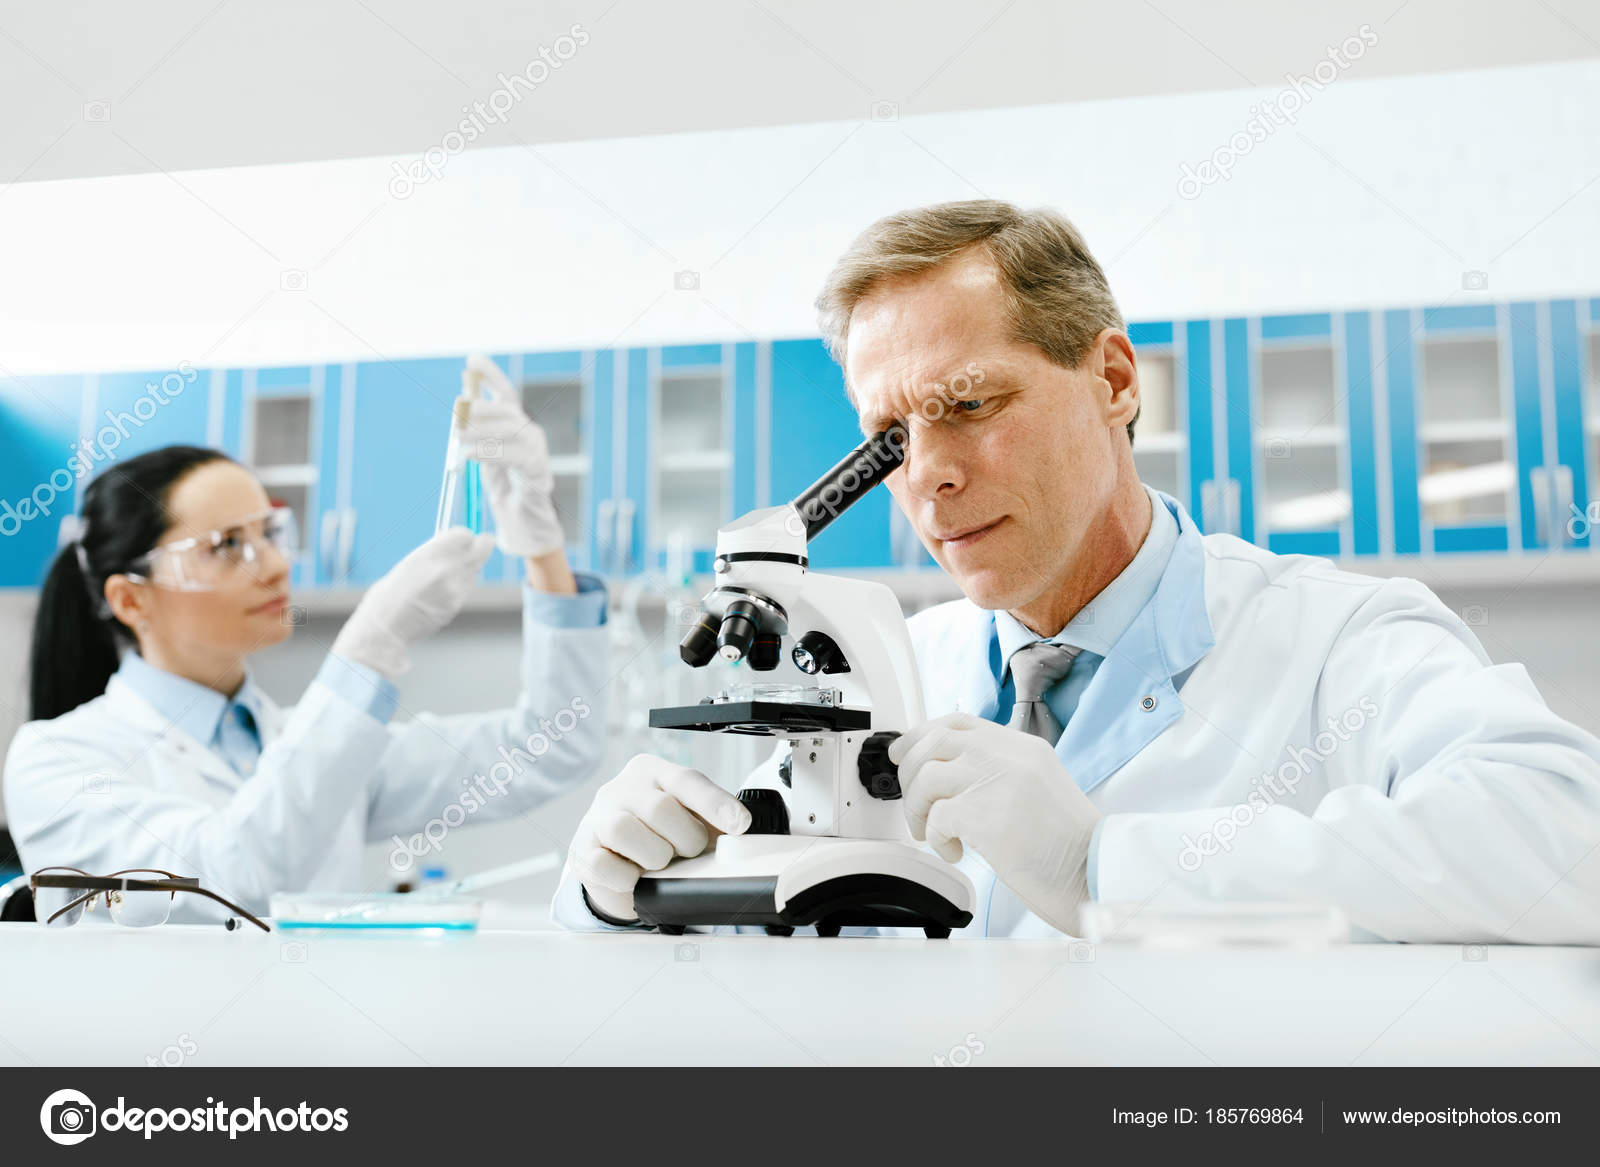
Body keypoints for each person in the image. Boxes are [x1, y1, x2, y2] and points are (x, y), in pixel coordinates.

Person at [553, 199, 1600, 943]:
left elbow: (1565, 840)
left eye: (970, 405)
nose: (931, 479)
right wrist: (614, 885)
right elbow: (754, 929)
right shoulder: (889, 674)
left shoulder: (1335, 639)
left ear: (1110, 379)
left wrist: (1106, 865)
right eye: (888, 438)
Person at [5, 358, 609, 922]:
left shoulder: (307, 739)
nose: (270, 564)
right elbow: (228, 880)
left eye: (270, 532)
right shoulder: (57, 761)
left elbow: (551, 746)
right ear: (131, 598)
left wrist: (539, 539)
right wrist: (366, 651)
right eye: (225, 546)